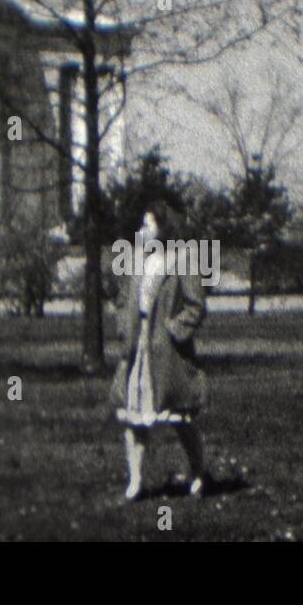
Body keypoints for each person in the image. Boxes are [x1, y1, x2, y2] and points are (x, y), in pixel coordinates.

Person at [110, 199, 211, 501]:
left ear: (163, 228)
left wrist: (173, 331)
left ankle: (197, 472)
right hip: (137, 347)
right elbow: (124, 300)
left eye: (147, 224)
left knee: (180, 418)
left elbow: (196, 306)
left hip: (168, 353)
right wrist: (124, 329)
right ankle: (136, 481)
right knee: (131, 415)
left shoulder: (182, 260)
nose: (141, 229)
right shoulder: (137, 259)